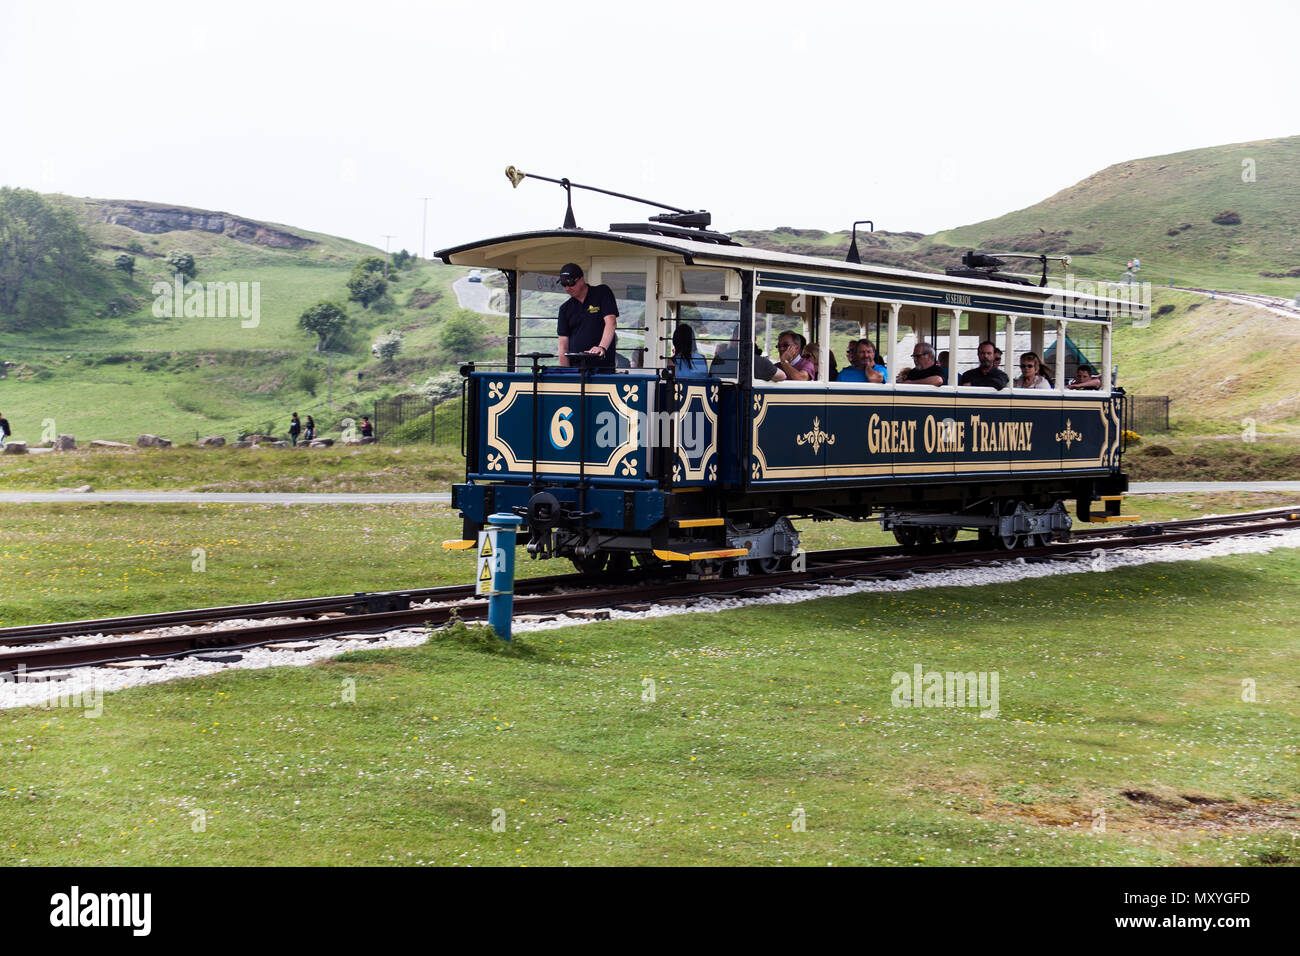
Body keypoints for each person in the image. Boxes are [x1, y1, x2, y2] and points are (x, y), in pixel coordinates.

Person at [556, 263, 617, 370]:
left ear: (581, 279)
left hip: (602, 367)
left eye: (570, 283)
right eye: (563, 284)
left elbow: (611, 322)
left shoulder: (602, 292)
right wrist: (565, 374)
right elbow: (563, 346)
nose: (567, 288)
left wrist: (601, 347)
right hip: (576, 368)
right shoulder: (565, 308)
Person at [710, 330, 787, 381]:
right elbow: (782, 376)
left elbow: (711, 377)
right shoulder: (760, 362)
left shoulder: (719, 358)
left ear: (734, 338)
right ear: (754, 339)